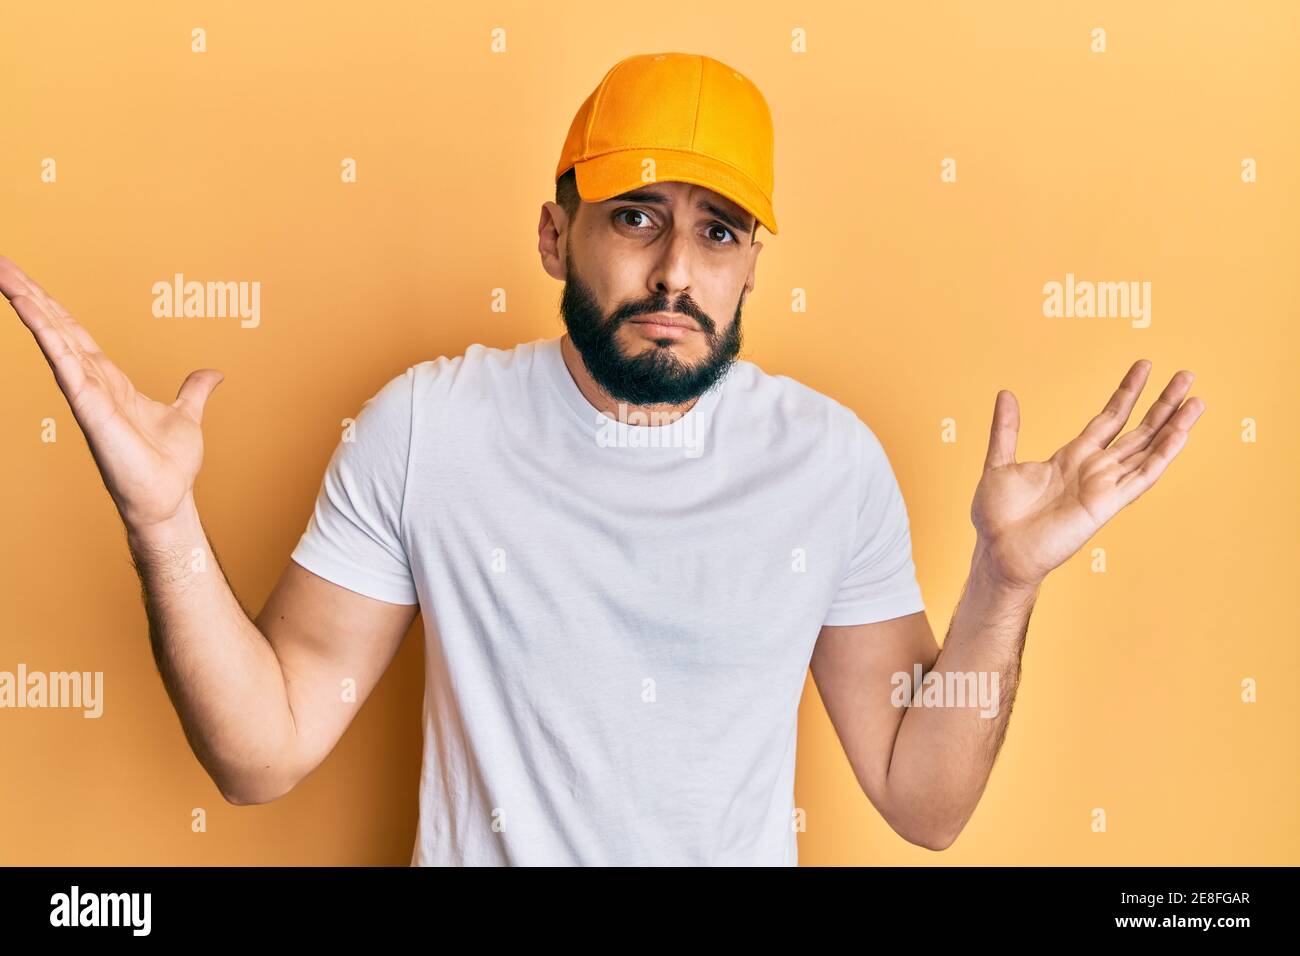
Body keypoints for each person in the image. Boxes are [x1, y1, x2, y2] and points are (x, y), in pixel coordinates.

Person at [0, 52, 1205, 866]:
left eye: (718, 229)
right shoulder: (431, 427)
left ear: (750, 265)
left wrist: (1004, 581)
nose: (677, 270)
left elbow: (923, 799)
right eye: (636, 215)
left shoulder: (828, 463)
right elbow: (261, 751)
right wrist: (162, 524)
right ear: (554, 231)